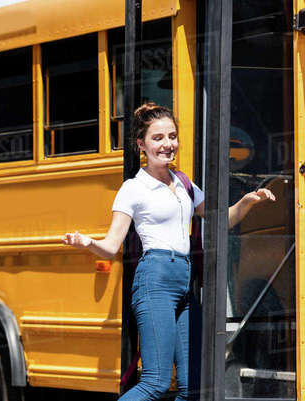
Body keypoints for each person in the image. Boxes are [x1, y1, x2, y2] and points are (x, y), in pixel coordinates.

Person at [63, 103, 275, 401]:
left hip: (183, 284)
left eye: (172, 136)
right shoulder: (133, 189)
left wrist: (249, 201)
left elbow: (220, 221)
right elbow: (111, 247)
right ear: (141, 144)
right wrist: (87, 243)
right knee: (155, 383)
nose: (167, 144)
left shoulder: (184, 183)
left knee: (191, 389)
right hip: (155, 282)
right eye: (158, 138)